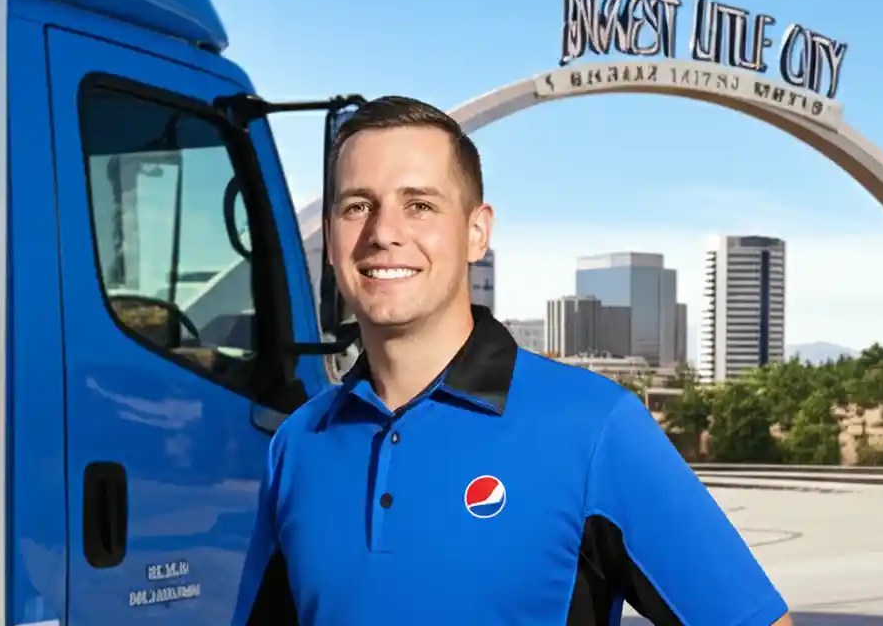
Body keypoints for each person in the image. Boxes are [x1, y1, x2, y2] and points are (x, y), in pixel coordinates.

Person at [230, 95, 793, 624]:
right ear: (330, 238)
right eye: (358, 206)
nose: (384, 233)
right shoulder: (299, 443)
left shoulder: (594, 428)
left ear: (477, 232)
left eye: (419, 205)